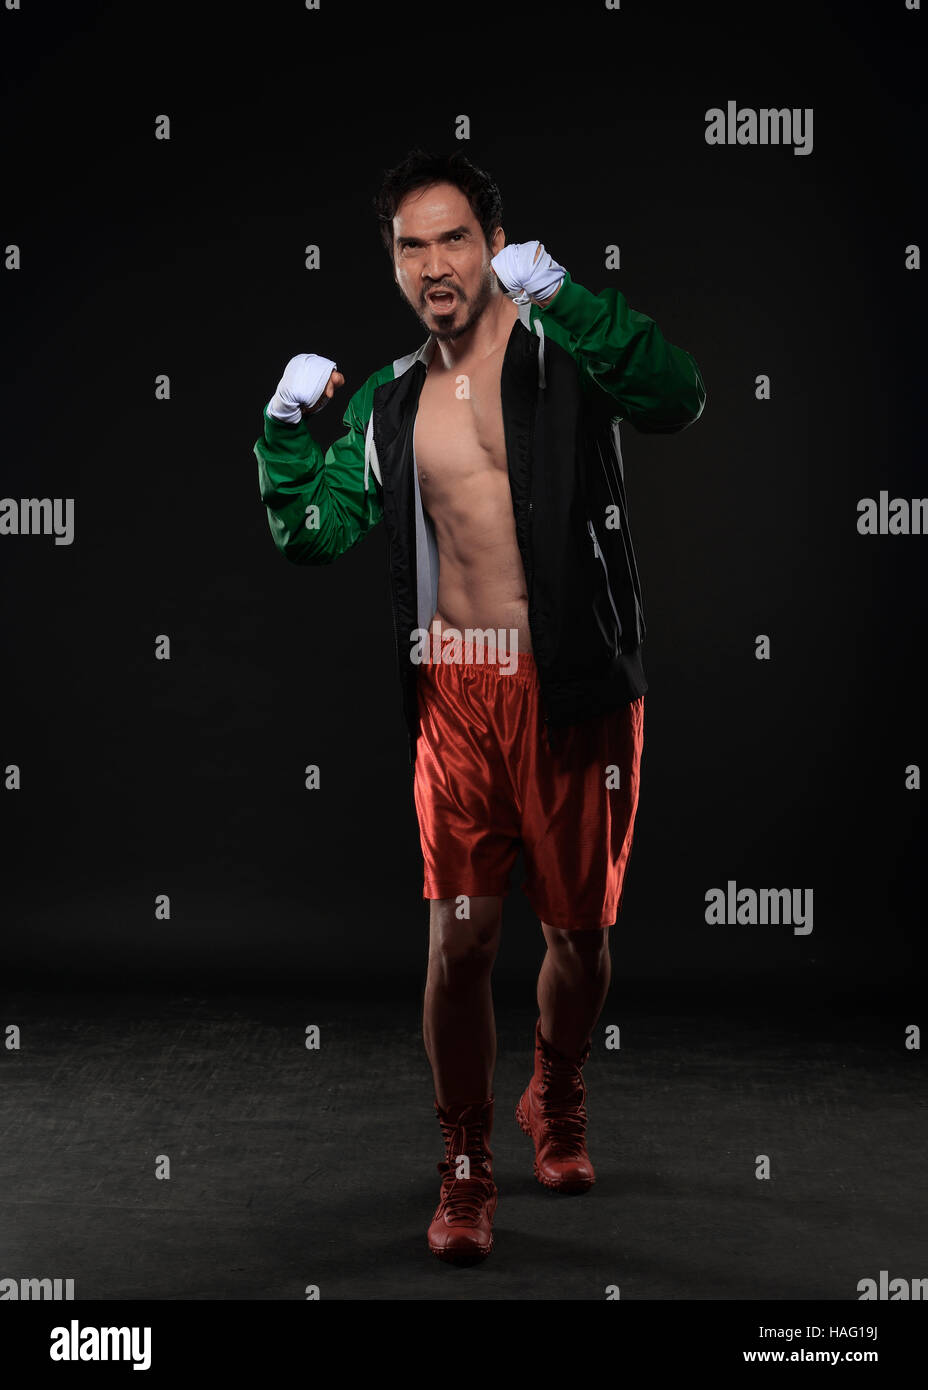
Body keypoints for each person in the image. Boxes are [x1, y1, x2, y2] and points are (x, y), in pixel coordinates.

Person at [254, 149, 706, 1264]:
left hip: (577, 693)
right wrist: (281, 434)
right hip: (456, 695)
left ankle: (555, 1089)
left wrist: (574, 296)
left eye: (454, 238)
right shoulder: (389, 399)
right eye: (411, 246)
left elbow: (678, 397)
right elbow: (313, 536)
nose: (433, 264)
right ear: (394, 264)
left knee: (578, 940)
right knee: (457, 944)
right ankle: (464, 1164)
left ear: (496, 244)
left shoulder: (563, 352)